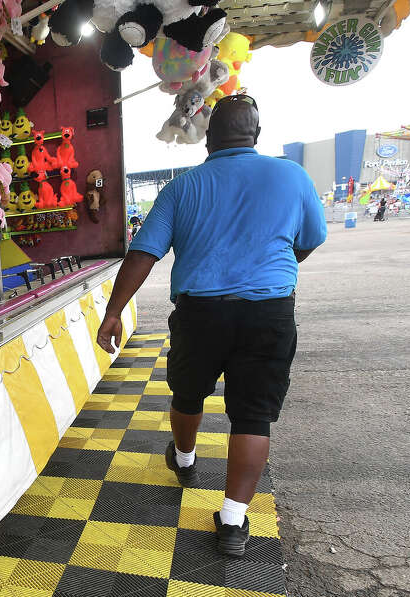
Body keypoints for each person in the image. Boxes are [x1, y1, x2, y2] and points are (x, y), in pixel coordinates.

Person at [96, 95, 326, 558]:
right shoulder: (292, 176)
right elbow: (309, 240)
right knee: (253, 415)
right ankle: (234, 521)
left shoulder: (183, 188)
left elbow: (144, 254)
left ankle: (184, 460)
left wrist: (114, 311)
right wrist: (275, 268)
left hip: (200, 315)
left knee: (186, 393)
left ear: (207, 138)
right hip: (269, 313)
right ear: (256, 136)